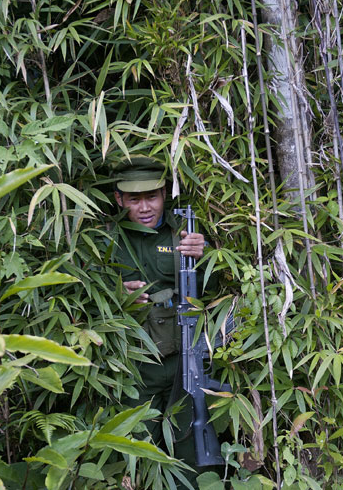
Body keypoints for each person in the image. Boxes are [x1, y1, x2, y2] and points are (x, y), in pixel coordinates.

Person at [112, 157, 214, 488]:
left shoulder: (183, 232)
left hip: (184, 357)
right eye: (134, 199)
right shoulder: (108, 240)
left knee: (190, 453)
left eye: (152, 197)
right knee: (137, 455)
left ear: (165, 194)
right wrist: (117, 294)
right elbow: (84, 299)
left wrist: (204, 255)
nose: (144, 208)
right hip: (136, 366)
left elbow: (215, 291)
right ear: (119, 199)